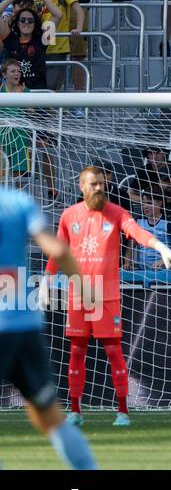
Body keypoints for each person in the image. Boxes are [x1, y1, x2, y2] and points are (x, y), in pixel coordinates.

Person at [52, 165, 171, 426]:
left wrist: (160, 246)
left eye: (102, 184)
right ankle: (75, 411)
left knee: (113, 351)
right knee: (76, 352)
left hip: (107, 297)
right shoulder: (69, 216)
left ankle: (123, 411)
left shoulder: (117, 213)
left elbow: (137, 232)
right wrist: (47, 279)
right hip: (78, 296)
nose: (99, 188)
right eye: (93, 184)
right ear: (82, 187)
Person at [0, 185, 99, 467]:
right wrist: (83, 286)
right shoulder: (19, 201)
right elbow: (56, 248)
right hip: (25, 326)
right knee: (50, 416)